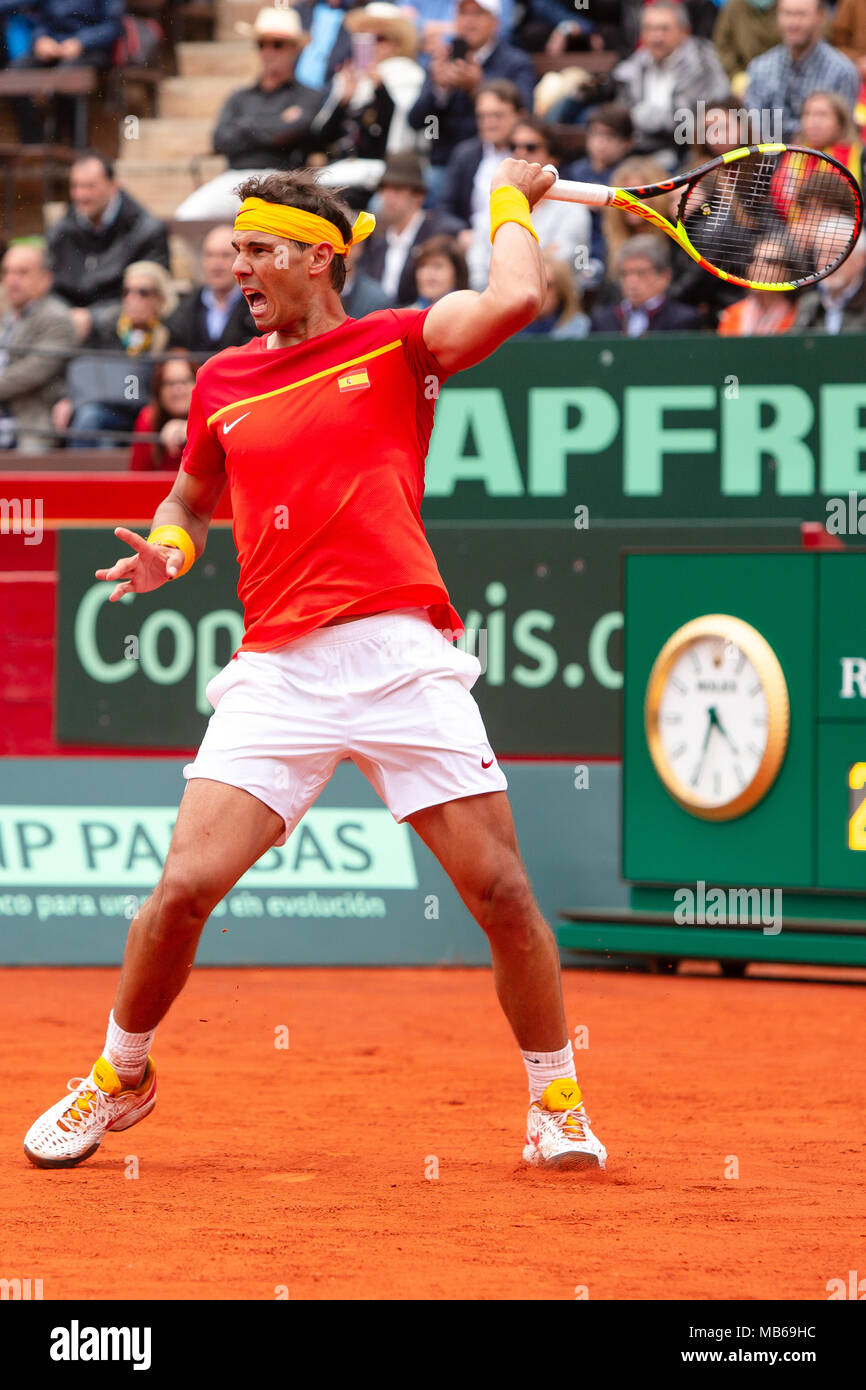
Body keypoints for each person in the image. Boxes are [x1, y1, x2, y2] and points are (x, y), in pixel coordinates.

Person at [23, 162, 608, 1177]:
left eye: (256, 250)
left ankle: (553, 1094)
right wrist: (170, 548)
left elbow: (515, 294)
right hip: (277, 670)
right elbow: (189, 499)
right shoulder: (218, 381)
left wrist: (509, 196)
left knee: (503, 896)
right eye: (233, 250)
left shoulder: (398, 343)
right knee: (179, 893)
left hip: (398, 654)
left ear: (318, 257)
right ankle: (122, 1072)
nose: (235, 266)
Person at [173, 6, 323, 224]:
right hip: (234, 179)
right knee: (186, 219)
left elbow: (294, 131)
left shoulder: (309, 95)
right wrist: (273, 125)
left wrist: (245, 127)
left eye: (277, 44)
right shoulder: (239, 97)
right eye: (262, 44)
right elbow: (220, 140)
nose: (268, 52)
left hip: (282, 180)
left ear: (295, 49)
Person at [407, 0, 536, 201]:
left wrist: (478, 87)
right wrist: (438, 89)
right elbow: (415, 120)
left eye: (477, 14)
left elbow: (525, 112)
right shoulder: (443, 58)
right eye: (463, 14)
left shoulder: (515, 62)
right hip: (444, 162)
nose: (469, 22)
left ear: (496, 23)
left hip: (496, 159)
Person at [55, 261, 177, 449]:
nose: (132, 299)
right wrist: (67, 398)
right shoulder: (106, 328)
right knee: (92, 420)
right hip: (109, 406)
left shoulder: (170, 332)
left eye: (143, 292)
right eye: (127, 291)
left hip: (150, 409)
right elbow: (82, 369)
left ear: (160, 298)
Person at [311, 3, 426, 200]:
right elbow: (320, 138)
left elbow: (400, 134)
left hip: (383, 173)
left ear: (396, 44)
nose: (371, 45)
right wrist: (343, 101)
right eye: (364, 38)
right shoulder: (346, 79)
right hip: (339, 169)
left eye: (379, 38)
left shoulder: (407, 73)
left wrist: (380, 89)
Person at [464, 117, 592, 291]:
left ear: (552, 157)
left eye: (531, 147)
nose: (520, 153)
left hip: (554, 306)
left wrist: (501, 266)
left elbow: (561, 263)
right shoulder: (499, 201)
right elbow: (477, 261)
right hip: (495, 299)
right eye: (514, 147)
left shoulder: (573, 208)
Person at [47, 152, 170, 317]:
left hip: (122, 327)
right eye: (75, 186)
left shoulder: (147, 231)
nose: (81, 195)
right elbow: (51, 288)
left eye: (90, 186)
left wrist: (92, 320)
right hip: (65, 325)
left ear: (113, 186)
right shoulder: (60, 231)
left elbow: (150, 296)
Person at [613, 1, 729, 160]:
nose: (656, 37)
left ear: (684, 32)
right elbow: (622, 115)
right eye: (649, 28)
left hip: (688, 152)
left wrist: (646, 118)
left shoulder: (704, 64)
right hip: (638, 152)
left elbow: (709, 116)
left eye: (664, 29)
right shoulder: (632, 68)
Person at [8, 0, 124, 145]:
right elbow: (40, 20)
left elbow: (113, 26)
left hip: (91, 50)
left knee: (67, 77)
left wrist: (81, 42)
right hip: (53, 48)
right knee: (14, 75)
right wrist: (40, 38)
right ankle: (33, 143)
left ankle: (75, 146)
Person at [0, 239, 76, 453]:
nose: (12, 280)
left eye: (22, 272)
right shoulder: (6, 313)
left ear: (45, 279)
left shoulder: (56, 318)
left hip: (30, 421)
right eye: (7, 272)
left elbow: (29, 373)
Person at [357, 153, 463, 305]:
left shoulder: (438, 233)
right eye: (384, 189)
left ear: (419, 196)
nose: (388, 197)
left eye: (398, 189)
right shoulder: (376, 239)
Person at [745, 0, 859, 139]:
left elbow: (844, 135)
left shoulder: (842, 72)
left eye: (801, 14)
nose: (793, 23)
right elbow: (754, 129)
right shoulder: (760, 68)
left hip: (821, 158)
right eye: (787, 14)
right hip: (767, 158)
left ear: (821, 17)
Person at [439, 79, 523, 230]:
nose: (489, 123)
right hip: (472, 241)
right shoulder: (464, 155)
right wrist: (461, 233)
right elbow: (444, 209)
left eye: (497, 115)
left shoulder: (532, 151)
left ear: (520, 116)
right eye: (482, 116)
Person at [166, 226, 256, 358]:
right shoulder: (186, 308)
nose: (216, 264)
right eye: (210, 255)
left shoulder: (256, 306)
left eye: (225, 255)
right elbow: (173, 340)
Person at [590, 235, 702, 333]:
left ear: (664, 277)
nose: (631, 281)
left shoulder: (683, 319)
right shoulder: (602, 319)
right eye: (625, 274)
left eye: (641, 273)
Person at [716, 238, 799, 333]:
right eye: (753, 259)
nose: (758, 267)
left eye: (770, 261)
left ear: (788, 271)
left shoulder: (801, 315)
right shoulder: (732, 313)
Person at [130, 354, 197, 472]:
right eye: (169, 383)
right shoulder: (148, 419)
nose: (178, 389)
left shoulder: (213, 419)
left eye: (185, 381)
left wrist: (190, 429)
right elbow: (138, 475)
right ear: (158, 389)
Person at [792, 226, 866, 330]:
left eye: (835, 252)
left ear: (861, 259)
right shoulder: (808, 304)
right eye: (819, 253)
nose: (825, 261)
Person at [520, 252, 591, 336]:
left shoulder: (579, 327)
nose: (538, 291)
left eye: (547, 285)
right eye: (533, 283)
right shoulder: (508, 327)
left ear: (561, 290)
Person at [713, 0, 780, 85]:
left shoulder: (788, 5)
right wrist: (736, 74)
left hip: (782, 76)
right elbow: (722, 45)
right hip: (745, 74)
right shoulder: (735, 7)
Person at [411, 234, 469, 306]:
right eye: (423, 265)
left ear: (457, 273)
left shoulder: (471, 313)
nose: (428, 273)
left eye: (437, 266)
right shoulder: (404, 314)